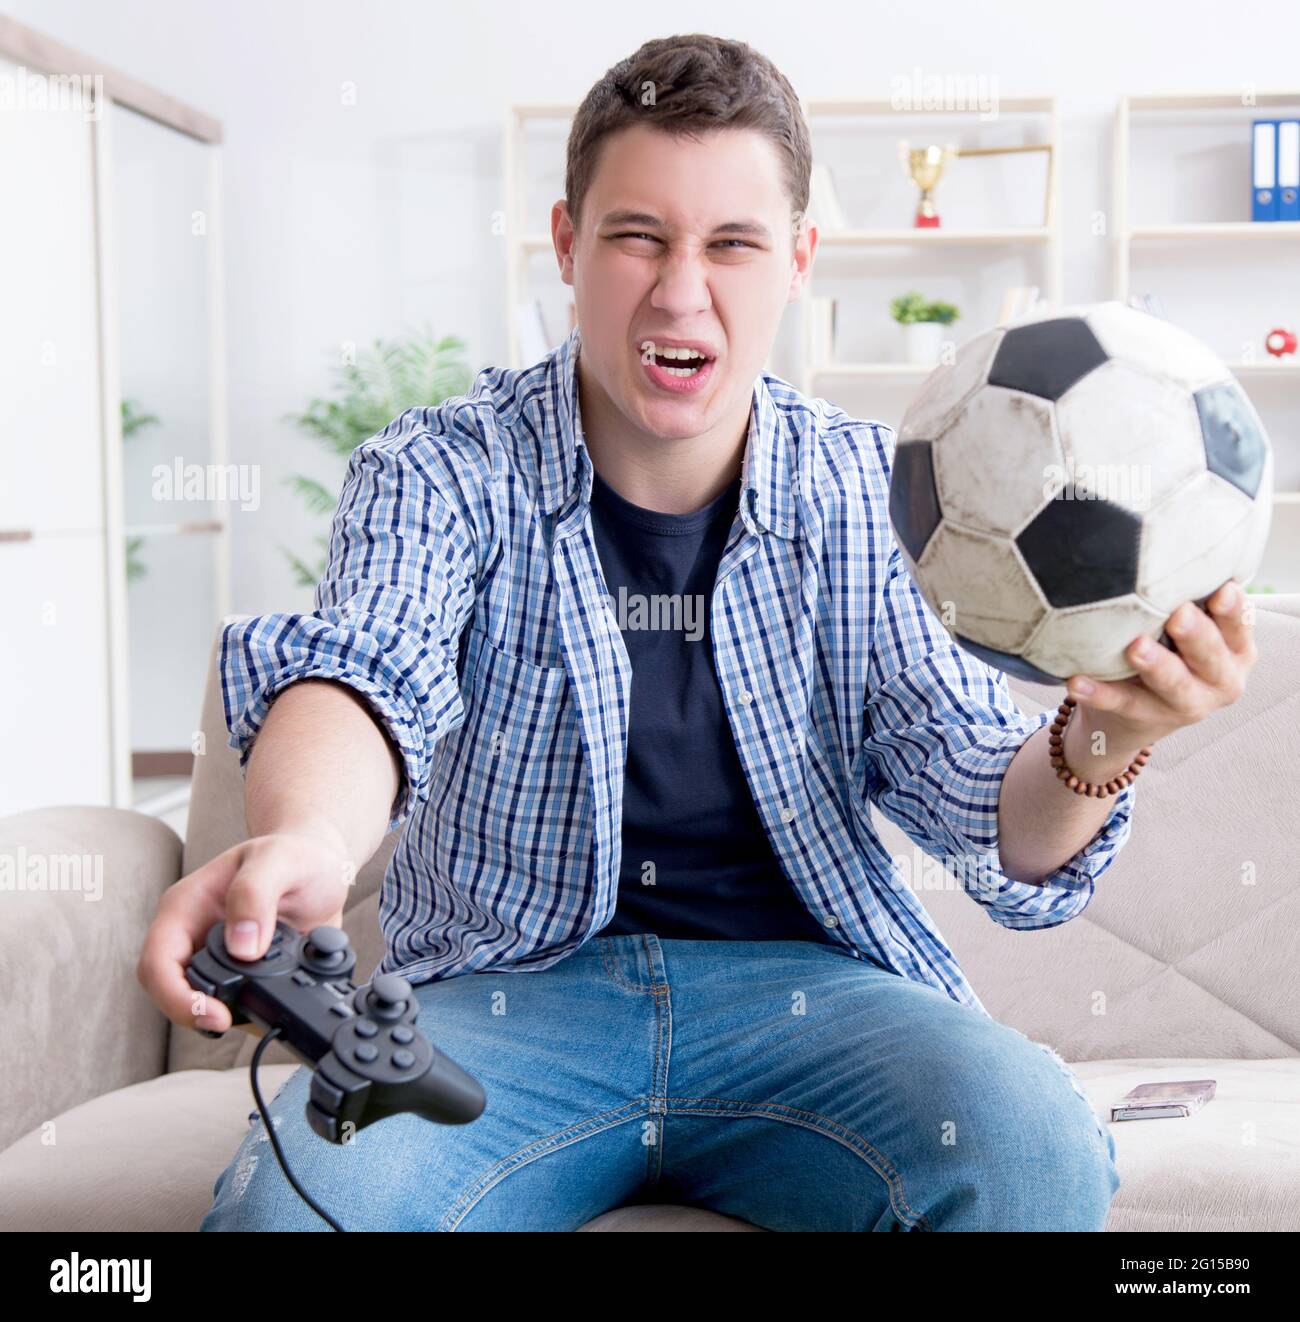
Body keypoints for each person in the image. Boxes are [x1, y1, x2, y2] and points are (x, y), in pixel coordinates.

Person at [136, 33, 1254, 1232]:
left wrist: (1101, 732)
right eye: (636, 237)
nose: (681, 291)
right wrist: (305, 835)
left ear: (798, 259)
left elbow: (992, 814)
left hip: (812, 998)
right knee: (294, 1209)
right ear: (566, 246)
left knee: (1030, 1158)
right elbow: (364, 670)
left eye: (732, 243)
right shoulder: (441, 469)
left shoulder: (873, 494)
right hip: (504, 1006)